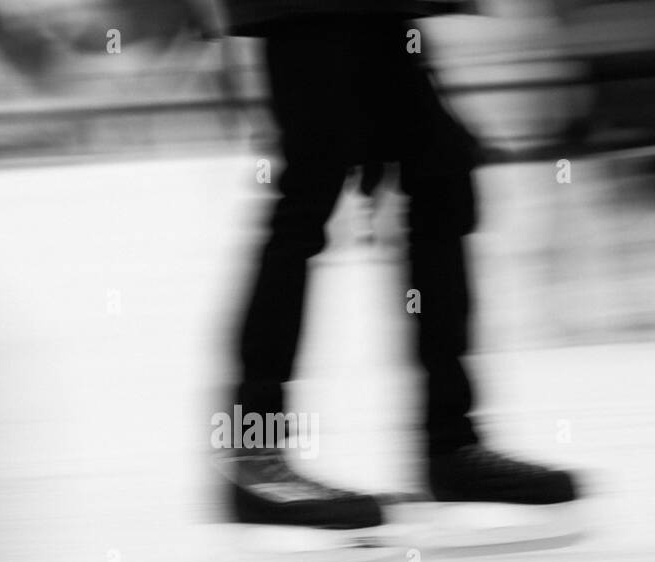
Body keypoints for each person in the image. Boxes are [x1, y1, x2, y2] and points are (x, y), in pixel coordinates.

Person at [219, 1, 578, 533]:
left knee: (440, 170)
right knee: (309, 191)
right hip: (303, 10)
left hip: (373, 11)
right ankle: (253, 454)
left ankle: (449, 448)